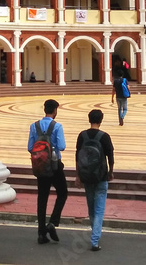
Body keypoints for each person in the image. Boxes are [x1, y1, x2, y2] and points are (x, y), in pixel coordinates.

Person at [28, 99, 67, 245]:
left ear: (44, 109)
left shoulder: (34, 126)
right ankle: (53, 222)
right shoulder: (57, 126)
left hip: (40, 166)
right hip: (55, 165)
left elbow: (30, 146)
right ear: (55, 110)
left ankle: (41, 234)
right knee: (62, 192)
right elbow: (62, 146)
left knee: (42, 198)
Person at [75, 109, 115, 252]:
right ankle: (95, 240)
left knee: (91, 208)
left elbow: (77, 156)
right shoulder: (104, 136)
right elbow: (110, 156)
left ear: (89, 119)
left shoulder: (82, 135)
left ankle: (95, 234)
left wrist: (78, 175)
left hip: (86, 176)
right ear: (101, 120)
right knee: (99, 209)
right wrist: (110, 172)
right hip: (101, 176)